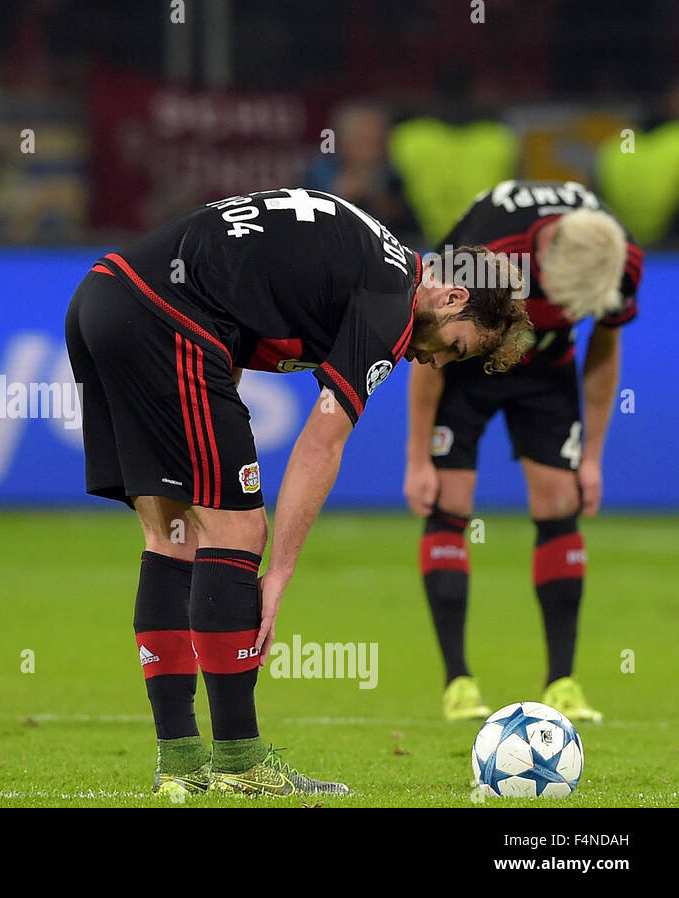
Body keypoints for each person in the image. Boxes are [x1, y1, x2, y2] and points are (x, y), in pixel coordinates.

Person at [65, 187, 530, 796]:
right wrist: (277, 573)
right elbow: (321, 442)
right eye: (457, 346)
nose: (438, 363)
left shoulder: (376, 256)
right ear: (453, 296)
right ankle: (240, 761)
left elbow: (235, 291)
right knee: (240, 531)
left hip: (103, 297)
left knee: (174, 533)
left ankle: (179, 763)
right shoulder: (392, 304)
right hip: (166, 320)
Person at [404, 180, 640, 724]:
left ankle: (562, 682)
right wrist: (418, 457)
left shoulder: (618, 259)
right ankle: (457, 683)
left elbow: (605, 347)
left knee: (562, 504)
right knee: (450, 500)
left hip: (547, 373)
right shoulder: (489, 255)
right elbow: (426, 341)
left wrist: (594, 457)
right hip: (463, 363)